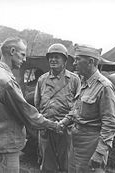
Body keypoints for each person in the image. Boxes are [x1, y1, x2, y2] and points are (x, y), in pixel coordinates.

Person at [0, 37, 60, 173]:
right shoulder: (5, 81)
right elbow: (27, 113)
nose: (24, 59)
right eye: (22, 54)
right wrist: (52, 124)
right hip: (6, 144)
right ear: (12, 51)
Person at [58, 44, 115, 173]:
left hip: (91, 144)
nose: (74, 63)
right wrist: (64, 122)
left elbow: (110, 124)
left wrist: (100, 152)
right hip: (76, 141)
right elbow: (76, 110)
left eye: (78, 59)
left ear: (91, 62)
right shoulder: (84, 83)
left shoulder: (104, 87)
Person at [34, 43, 81, 172]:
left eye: (57, 57)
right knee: (47, 165)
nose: (53, 60)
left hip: (65, 130)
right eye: (51, 57)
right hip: (46, 128)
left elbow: (78, 106)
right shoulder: (42, 80)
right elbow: (37, 104)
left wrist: (64, 123)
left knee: (66, 165)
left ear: (65, 61)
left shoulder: (74, 80)